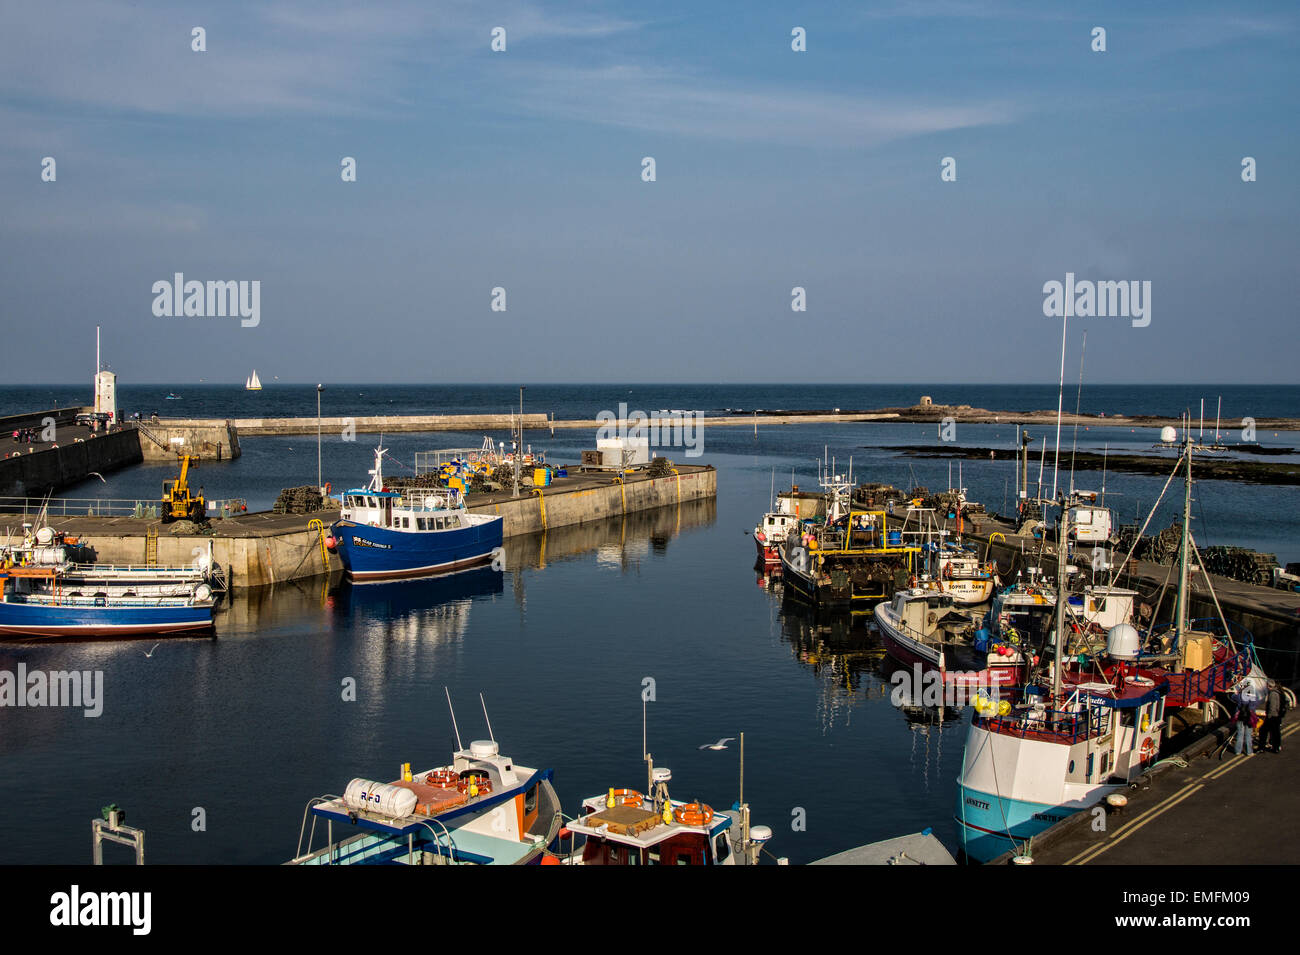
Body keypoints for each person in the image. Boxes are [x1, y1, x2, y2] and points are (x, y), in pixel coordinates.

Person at [1261, 681, 1283, 753]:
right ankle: (1276, 747)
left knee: (1263, 731)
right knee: (1275, 732)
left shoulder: (1272, 694)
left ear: (1268, 686)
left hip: (1272, 716)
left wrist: (1269, 716)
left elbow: (1272, 706)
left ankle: (1262, 747)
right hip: (1276, 716)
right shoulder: (1277, 692)